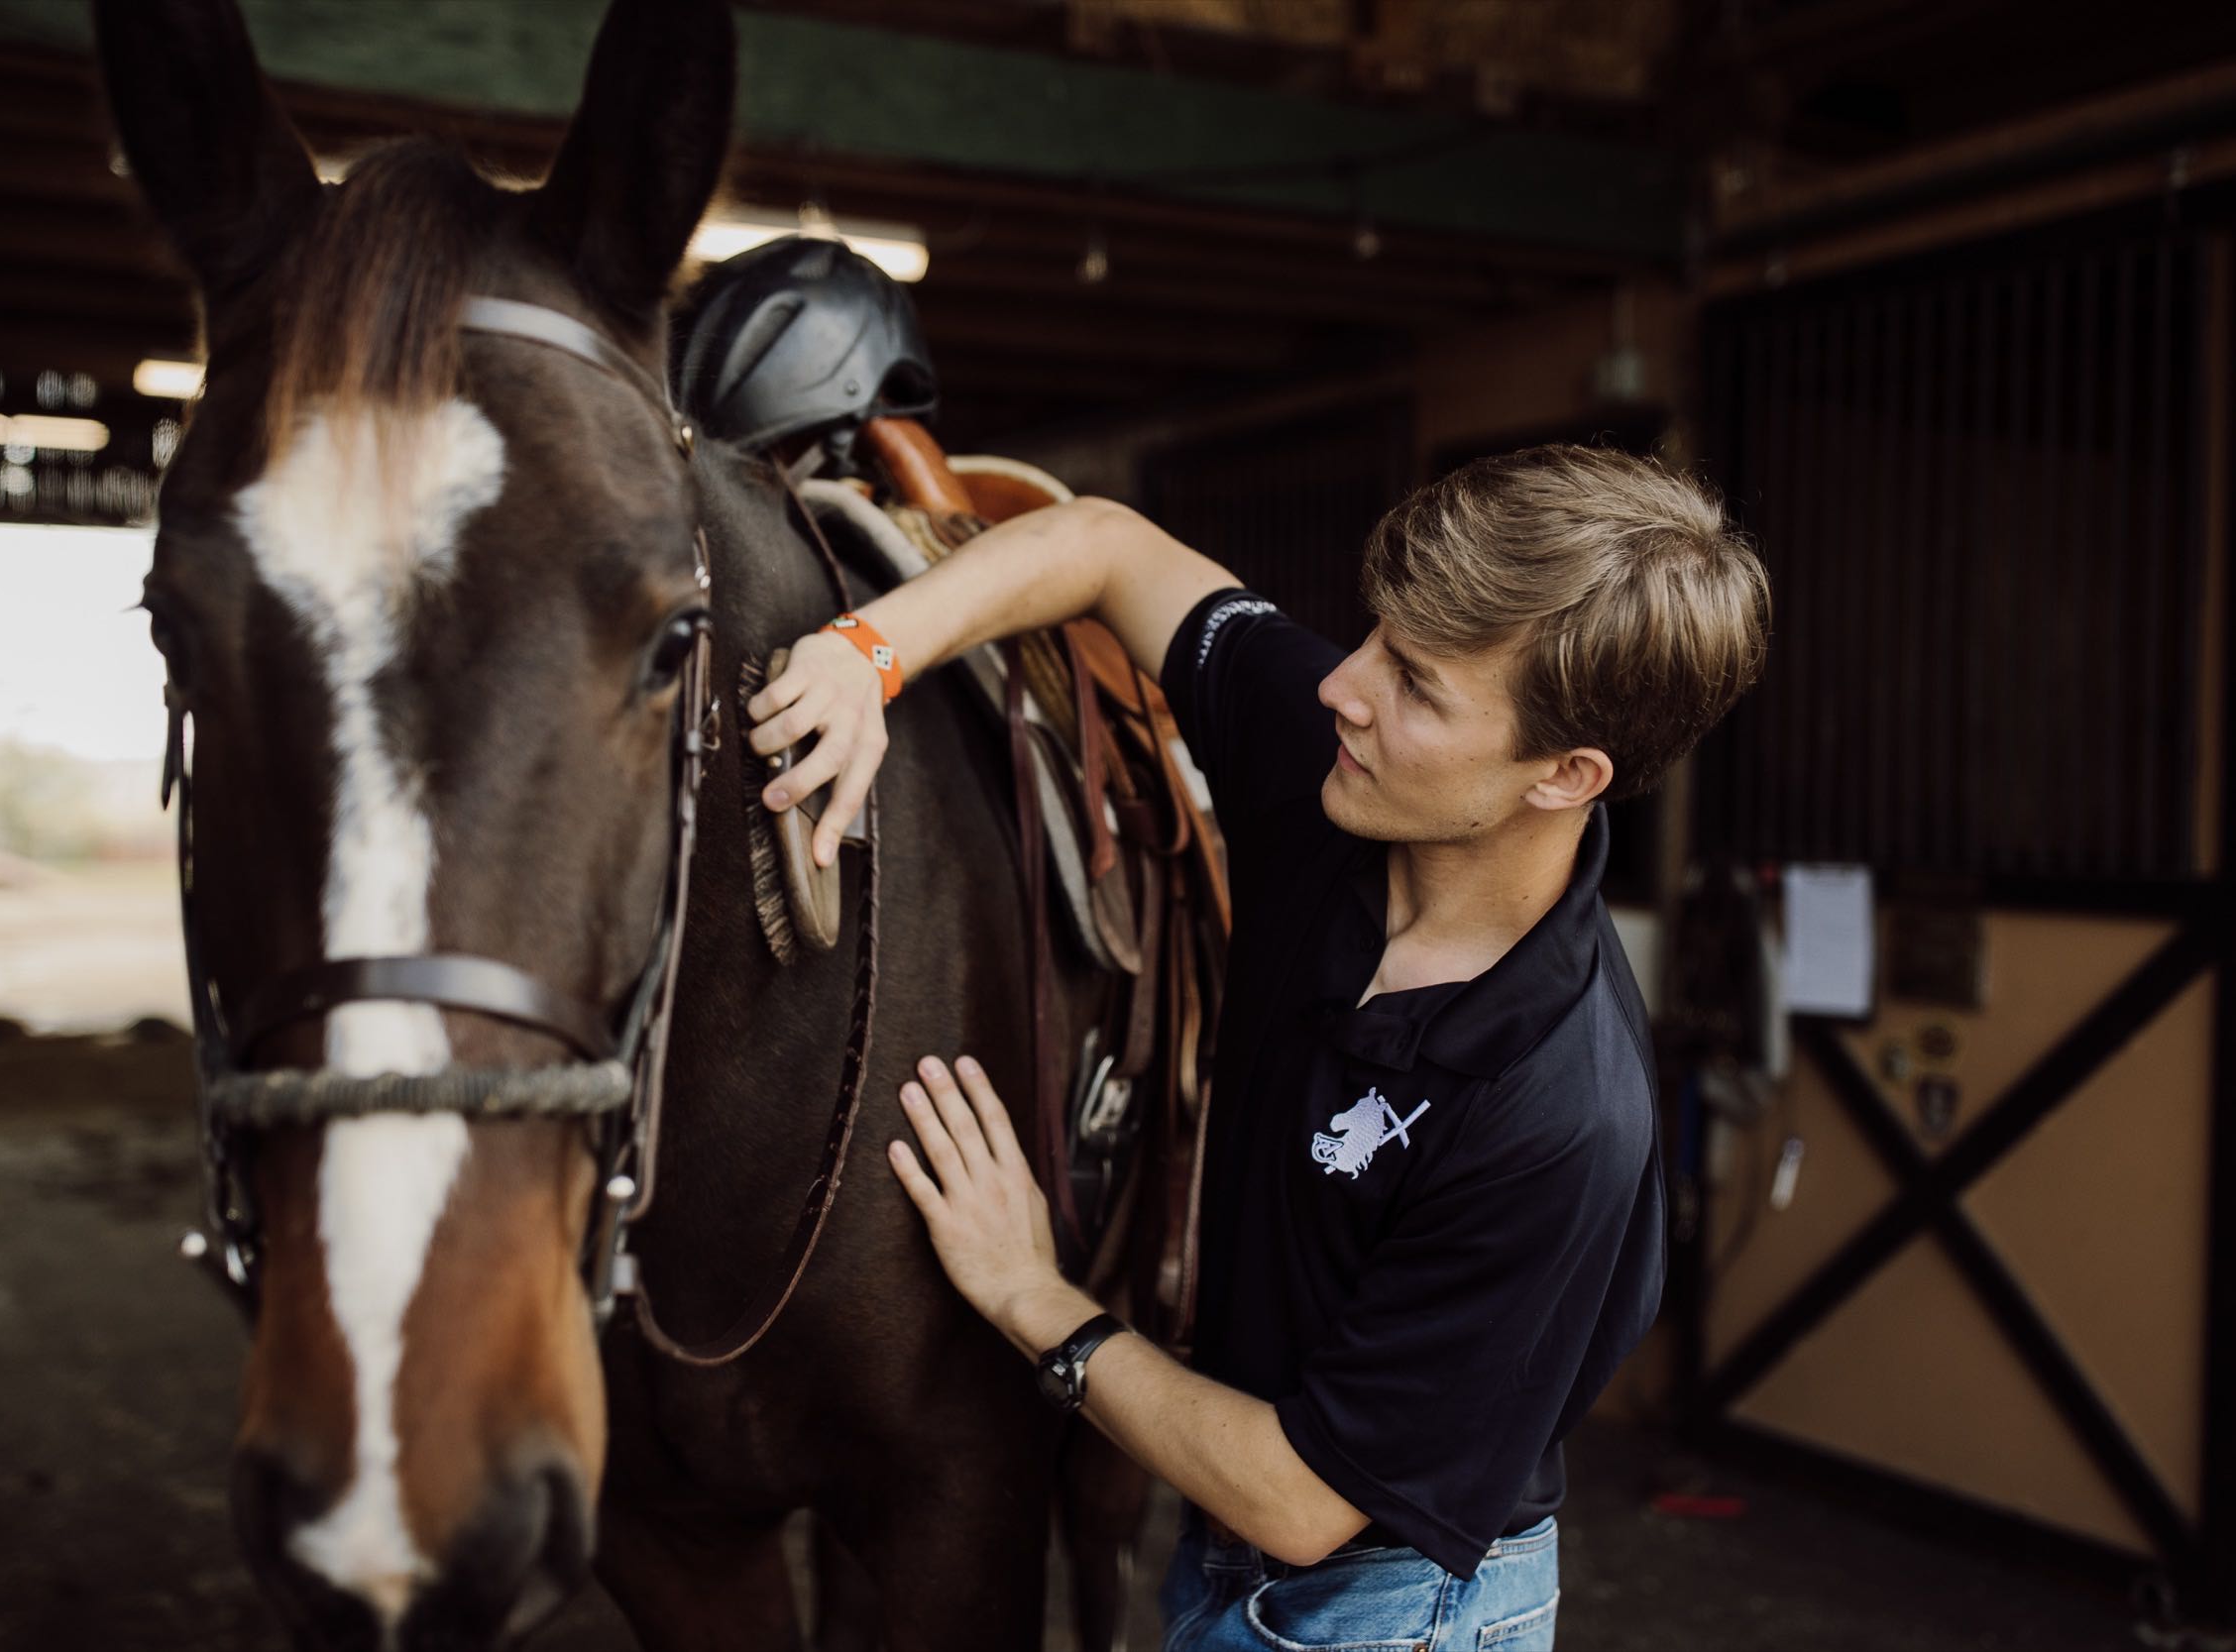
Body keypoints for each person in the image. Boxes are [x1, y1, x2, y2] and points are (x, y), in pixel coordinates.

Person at [744, 444, 1770, 1650]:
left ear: (1566, 774)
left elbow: (1298, 1498)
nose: (1345, 684)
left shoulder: (1556, 1113)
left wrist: (1033, 1297)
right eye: (1376, 635)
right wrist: (865, 652)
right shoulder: (1343, 773)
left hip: (1395, 1616)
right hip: (1234, 1555)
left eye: (1419, 684)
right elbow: (1105, 546)